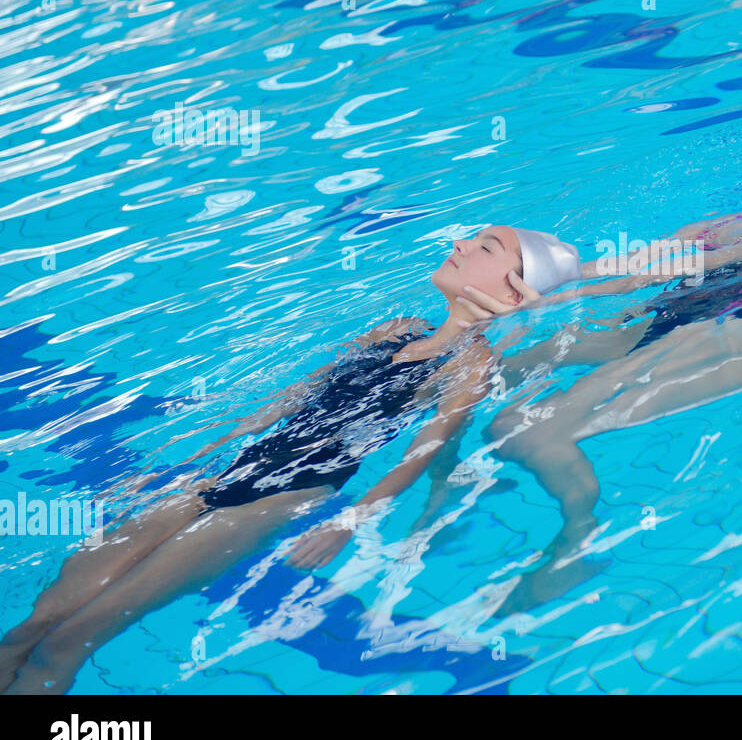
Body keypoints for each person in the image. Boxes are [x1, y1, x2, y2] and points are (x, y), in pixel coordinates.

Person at [0, 225, 582, 694]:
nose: (458, 244)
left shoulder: (469, 365)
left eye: (483, 247)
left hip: (283, 495)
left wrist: (353, 518)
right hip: (225, 475)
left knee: (68, 641)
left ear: (512, 292)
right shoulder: (397, 327)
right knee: (34, 624)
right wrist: (190, 466)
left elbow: (423, 449)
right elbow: (287, 402)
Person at [454, 103, 742, 616]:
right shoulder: (723, 220)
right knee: (501, 367)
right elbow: (638, 268)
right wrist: (552, 281)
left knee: (526, 430)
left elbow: (709, 263)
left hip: (720, 335)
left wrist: (562, 298)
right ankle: (447, 476)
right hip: (661, 321)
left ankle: (578, 542)